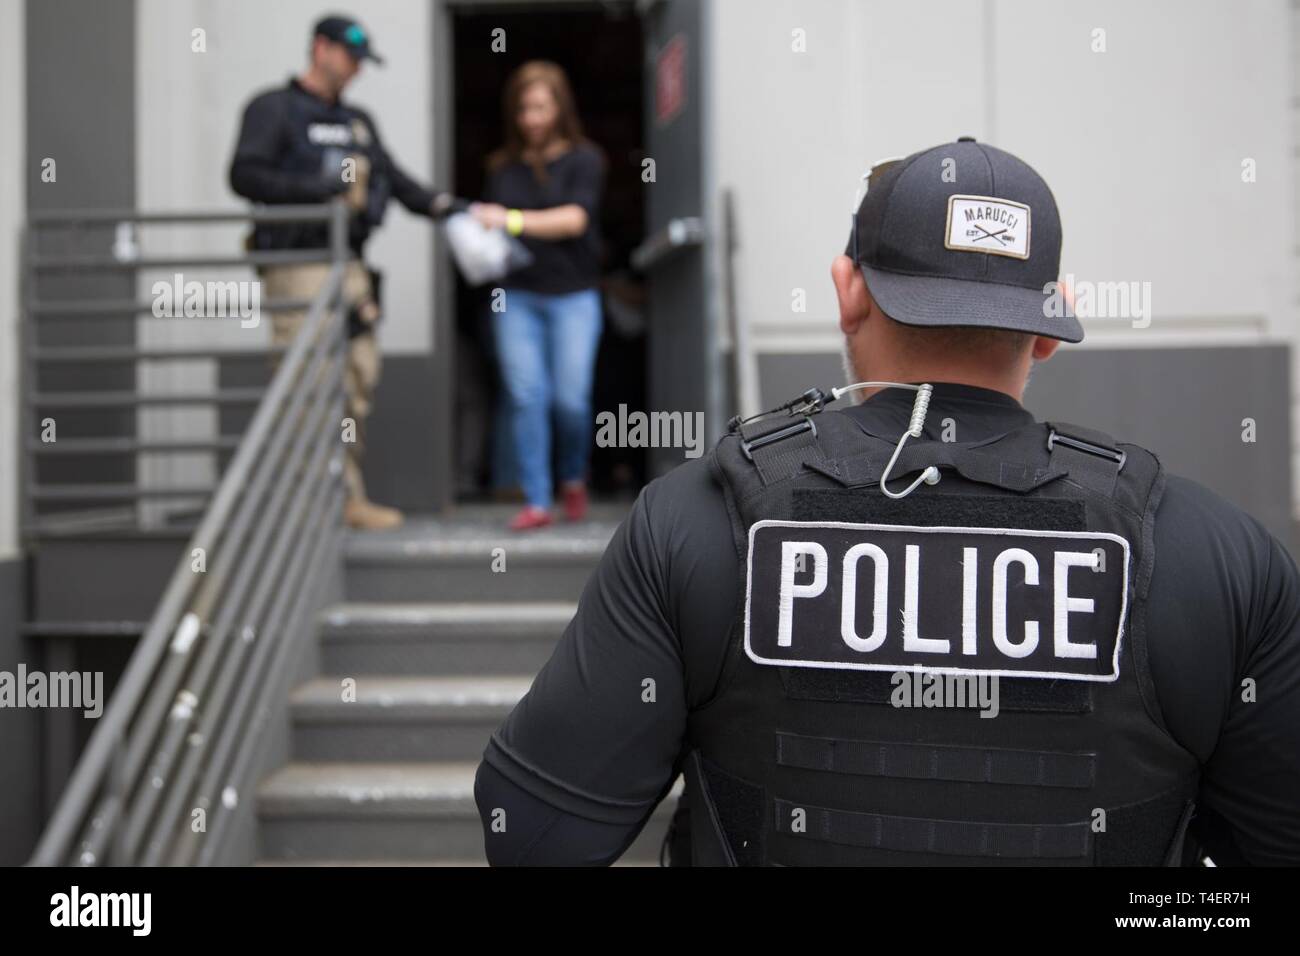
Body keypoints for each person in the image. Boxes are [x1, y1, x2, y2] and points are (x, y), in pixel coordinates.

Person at [473, 138, 1300, 866]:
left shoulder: (690, 523)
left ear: (848, 291)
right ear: (1052, 325)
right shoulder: (1215, 554)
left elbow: (534, 834)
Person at [229, 15, 455, 531]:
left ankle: (345, 496)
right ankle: (311, 506)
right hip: (298, 265)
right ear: (320, 48)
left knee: (357, 380)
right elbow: (244, 174)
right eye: (349, 57)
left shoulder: (359, 122)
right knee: (306, 385)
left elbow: (398, 182)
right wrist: (322, 187)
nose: (355, 70)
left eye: (361, 61)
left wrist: (453, 207)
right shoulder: (274, 109)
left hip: (350, 267)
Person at [471, 61, 606, 531]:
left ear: (559, 108)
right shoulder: (501, 167)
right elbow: (491, 234)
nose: (531, 117)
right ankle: (536, 499)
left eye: (541, 107)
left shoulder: (585, 159)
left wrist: (507, 219)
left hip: (574, 295)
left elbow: (575, 220)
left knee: (570, 399)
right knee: (527, 396)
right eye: (524, 108)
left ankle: (572, 475)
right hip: (516, 297)